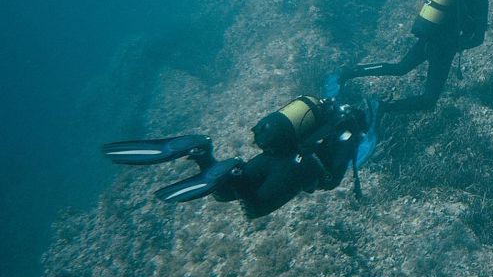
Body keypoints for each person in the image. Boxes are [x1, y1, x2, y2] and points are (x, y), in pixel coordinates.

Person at [102, 95, 367, 219]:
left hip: (277, 153)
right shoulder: (348, 135)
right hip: (296, 166)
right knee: (254, 207)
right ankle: (232, 173)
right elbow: (331, 180)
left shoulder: (325, 115)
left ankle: (203, 153)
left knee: (223, 193)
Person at [332, 0, 490, 112]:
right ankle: (382, 108)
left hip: (427, 39)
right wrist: (458, 45)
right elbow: (478, 39)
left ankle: (348, 73)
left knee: (399, 68)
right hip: (443, 50)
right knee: (429, 100)